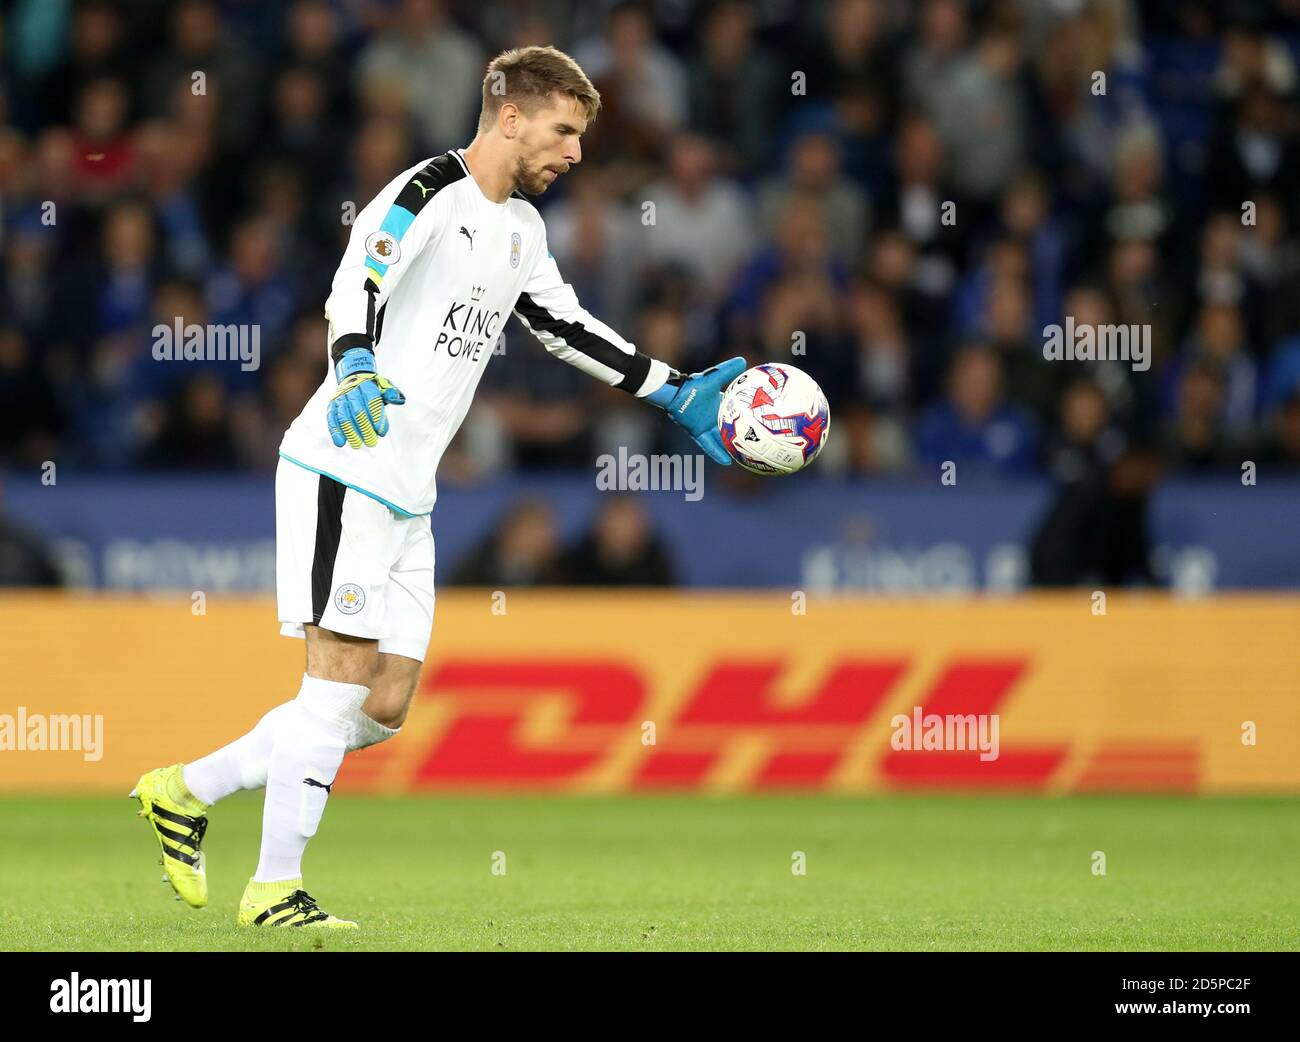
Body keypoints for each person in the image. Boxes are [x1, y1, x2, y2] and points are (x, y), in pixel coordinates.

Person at [130, 46, 744, 929]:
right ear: (511, 116)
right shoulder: (427, 189)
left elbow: (563, 326)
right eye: (565, 132)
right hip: (344, 464)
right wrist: (353, 369)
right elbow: (359, 279)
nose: (574, 154)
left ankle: (184, 791)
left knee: (380, 708)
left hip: (408, 496)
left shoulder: (523, 233)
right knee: (335, 686)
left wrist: (671, 388)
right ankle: (274, 891)